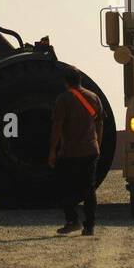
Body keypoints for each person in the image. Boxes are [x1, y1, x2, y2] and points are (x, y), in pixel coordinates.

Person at [49, 67, 103, 236]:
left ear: (66, 82)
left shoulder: (64, 99)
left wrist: (52, 150)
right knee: (88, 188)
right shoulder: (94, 97)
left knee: (63, 187)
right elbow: (100, 123)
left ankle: (72, 220)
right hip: (91, 150)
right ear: (80, 80)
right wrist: (98, 144)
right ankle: (90, 226)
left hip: (70, 152)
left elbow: (57, 126)